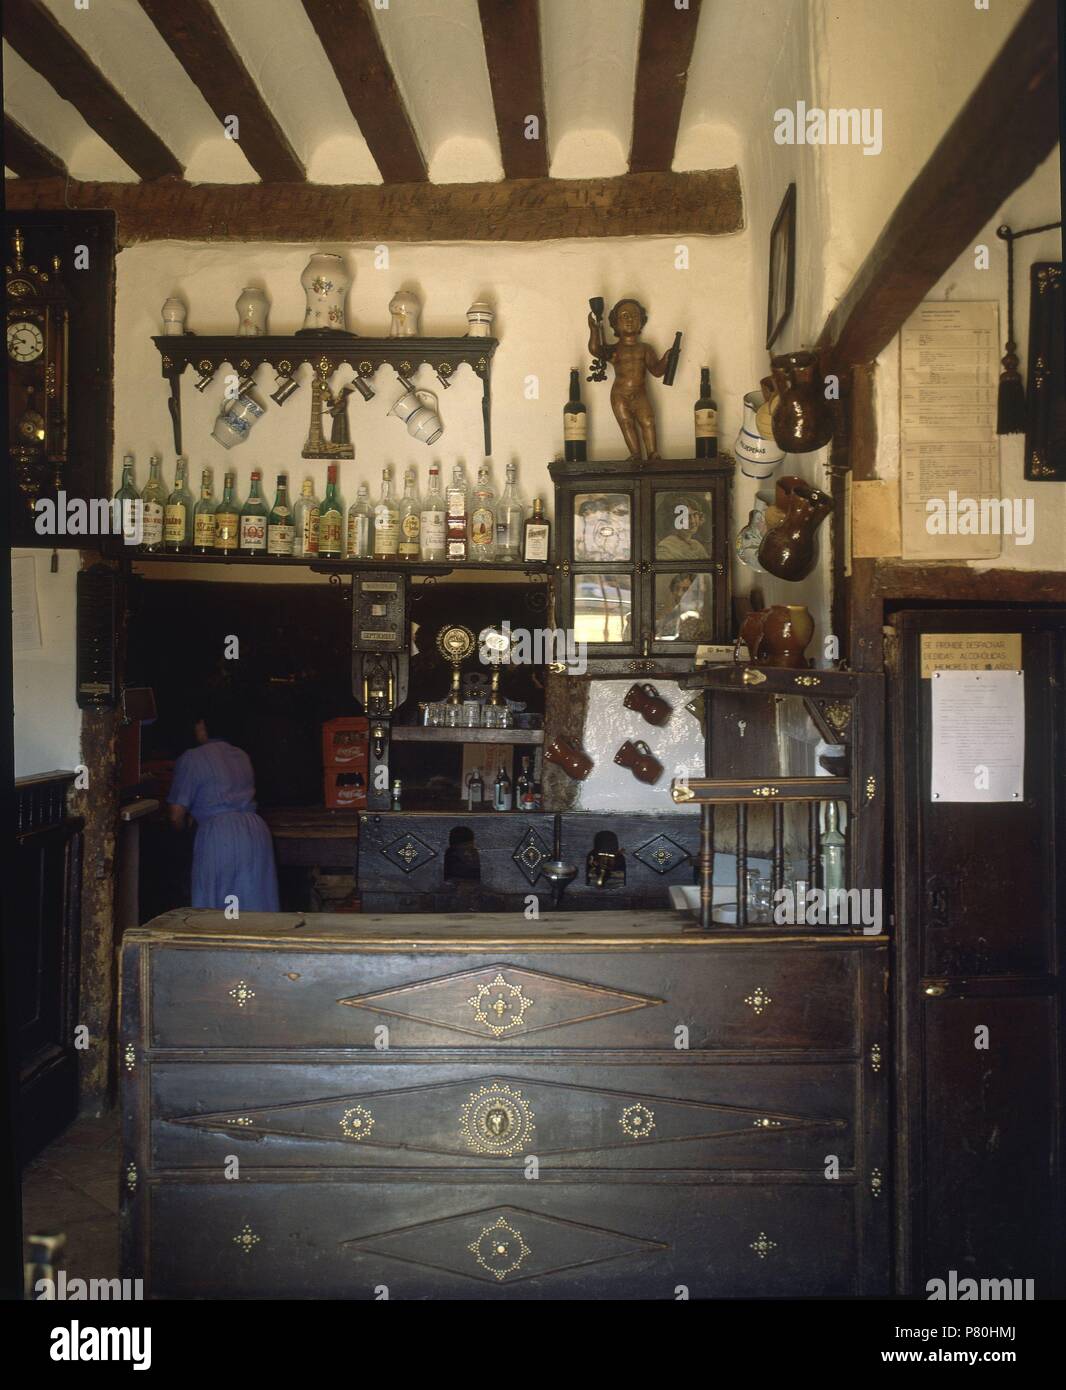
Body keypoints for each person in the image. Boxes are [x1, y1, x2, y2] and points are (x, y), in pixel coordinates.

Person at [167, 703, 280, 912]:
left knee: (222, 907)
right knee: (254, 902)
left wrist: (183, 832)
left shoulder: (193, 758)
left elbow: (176, 815)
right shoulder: (241, 755)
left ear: (202, 726)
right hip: (254, 831)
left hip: (220, 835)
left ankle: (224, 943)